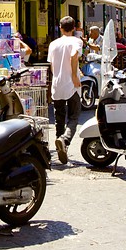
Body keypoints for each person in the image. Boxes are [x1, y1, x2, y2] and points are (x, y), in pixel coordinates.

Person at [48, 16, 82, 165]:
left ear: (61, 28)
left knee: (59, 118)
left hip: (57, 84)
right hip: (70, 84)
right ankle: (64, 140)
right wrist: (75, 75)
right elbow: (74, 55)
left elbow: (52, 66)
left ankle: (60, 148)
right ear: (73, 28)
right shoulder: (76, 41)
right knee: (74, 116)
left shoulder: (53, 44)